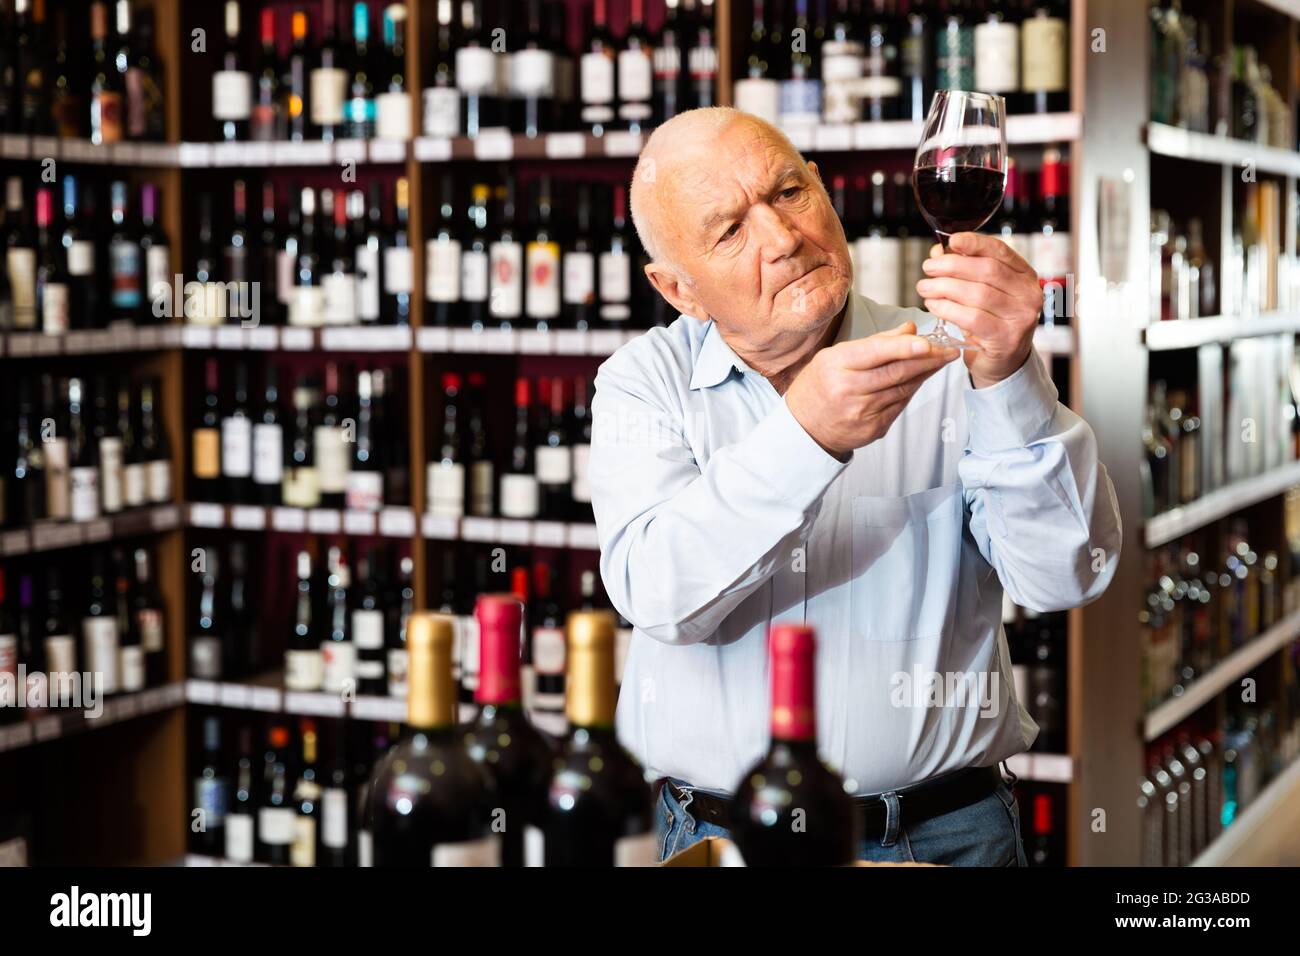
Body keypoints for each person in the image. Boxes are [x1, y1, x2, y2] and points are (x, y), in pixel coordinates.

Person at [588, 108, 1121, 865]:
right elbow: (661, 595)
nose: (782, 239)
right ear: (679, 288)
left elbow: (1067, 574)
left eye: (789, 192)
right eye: (730, 231)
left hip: (945, 837)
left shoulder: (954, 356)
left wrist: (1008, 377)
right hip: (718, 842)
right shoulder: (645, 385)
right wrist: (807, 435)